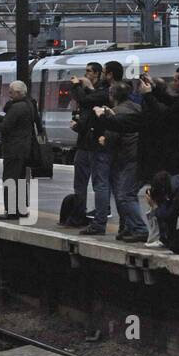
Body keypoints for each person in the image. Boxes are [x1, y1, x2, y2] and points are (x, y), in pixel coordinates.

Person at [93, 82, 148, 242]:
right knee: (128, 194)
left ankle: (139, 228)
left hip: (128, 157)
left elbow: (111, 137)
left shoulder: (116, 112)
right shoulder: (137, 107)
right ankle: (128, 227)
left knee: (124, 195)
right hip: (140, 155)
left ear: (112, 95)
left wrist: (103, 138)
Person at [69, 64, 111, 234]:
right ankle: (81, 213)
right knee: (82, 183)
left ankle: (98, 218)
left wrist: (80, 86)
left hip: (94, 144)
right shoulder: (95, 92)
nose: (85, 74)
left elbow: (85, 101)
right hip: (85, 143)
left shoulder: (103, 91)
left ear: (97, 73)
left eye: (88, 71)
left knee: (98, 183)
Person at [0, 80, 35, 220]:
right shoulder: (28, 105)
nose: (9, 95)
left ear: (19, 93)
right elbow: (13, 122)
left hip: (13, 149)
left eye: (11, 93)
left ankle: (12, 211)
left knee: (10, 179)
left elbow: (4, 128)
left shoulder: (16, 107)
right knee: (20, 180)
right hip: (24, 148)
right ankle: (22, 210)